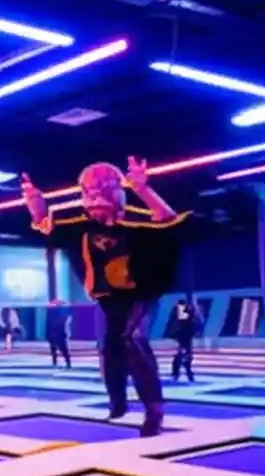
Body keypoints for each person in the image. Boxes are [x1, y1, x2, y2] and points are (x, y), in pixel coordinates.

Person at [22, 156, 188, 437]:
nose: (97, 208)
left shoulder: (137, 220)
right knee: (108, 347)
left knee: (133, 339)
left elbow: (169, 221)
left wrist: (143, 189)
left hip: (142, 293)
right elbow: (41, 222)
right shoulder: (76, 223)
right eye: (91, 194)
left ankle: (154, 410)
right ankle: (118, 399)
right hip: (108, 296)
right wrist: (34, 200)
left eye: (103, 194)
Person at [170, 298, 198, 383]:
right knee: (184, 356)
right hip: (184, 337)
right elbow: (184, 320)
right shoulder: (183, 317)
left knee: (185, 356)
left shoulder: (185, 317)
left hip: (185, 337)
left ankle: (179, 374)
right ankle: (180, 374)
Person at [46, 299, 72, 369]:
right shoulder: (52, 312)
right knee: (56, 349)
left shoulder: (61, 312)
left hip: (59, 333)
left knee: (62, 349)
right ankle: (59, 363)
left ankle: (66, 363)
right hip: (56, 333)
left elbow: (65, 322)